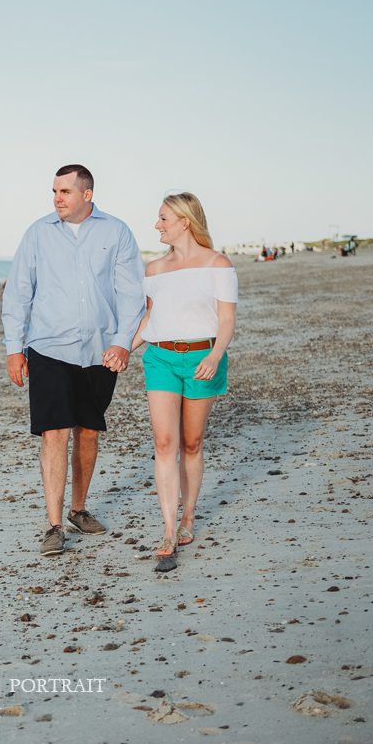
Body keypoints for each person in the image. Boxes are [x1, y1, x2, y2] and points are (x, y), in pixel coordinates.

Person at [2, 164, 146, 556]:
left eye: (64, 191)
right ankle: (53, 525)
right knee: (55, 432)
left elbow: (131, 294)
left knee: (87, 432)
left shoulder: (116, 232)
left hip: (100, 351)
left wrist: (121, 343)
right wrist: (14, 347)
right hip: (48, 347)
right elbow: (18, 293)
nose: (57, 199)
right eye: (54, 191)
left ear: (87, 194)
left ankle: (78, 509)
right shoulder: (37, 234)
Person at [129, 192, 237, 572]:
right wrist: (124, 349)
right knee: (164, 442)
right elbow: (150, 319)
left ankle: (189, 517)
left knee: (191, 442)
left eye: (162, 218)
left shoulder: (218, 265)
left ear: (183, 222)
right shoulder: (154, 270)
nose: (157, 225)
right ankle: (169, 531)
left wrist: (213, 355)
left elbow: (226, 322)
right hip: (159, 357)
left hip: (203, 358)